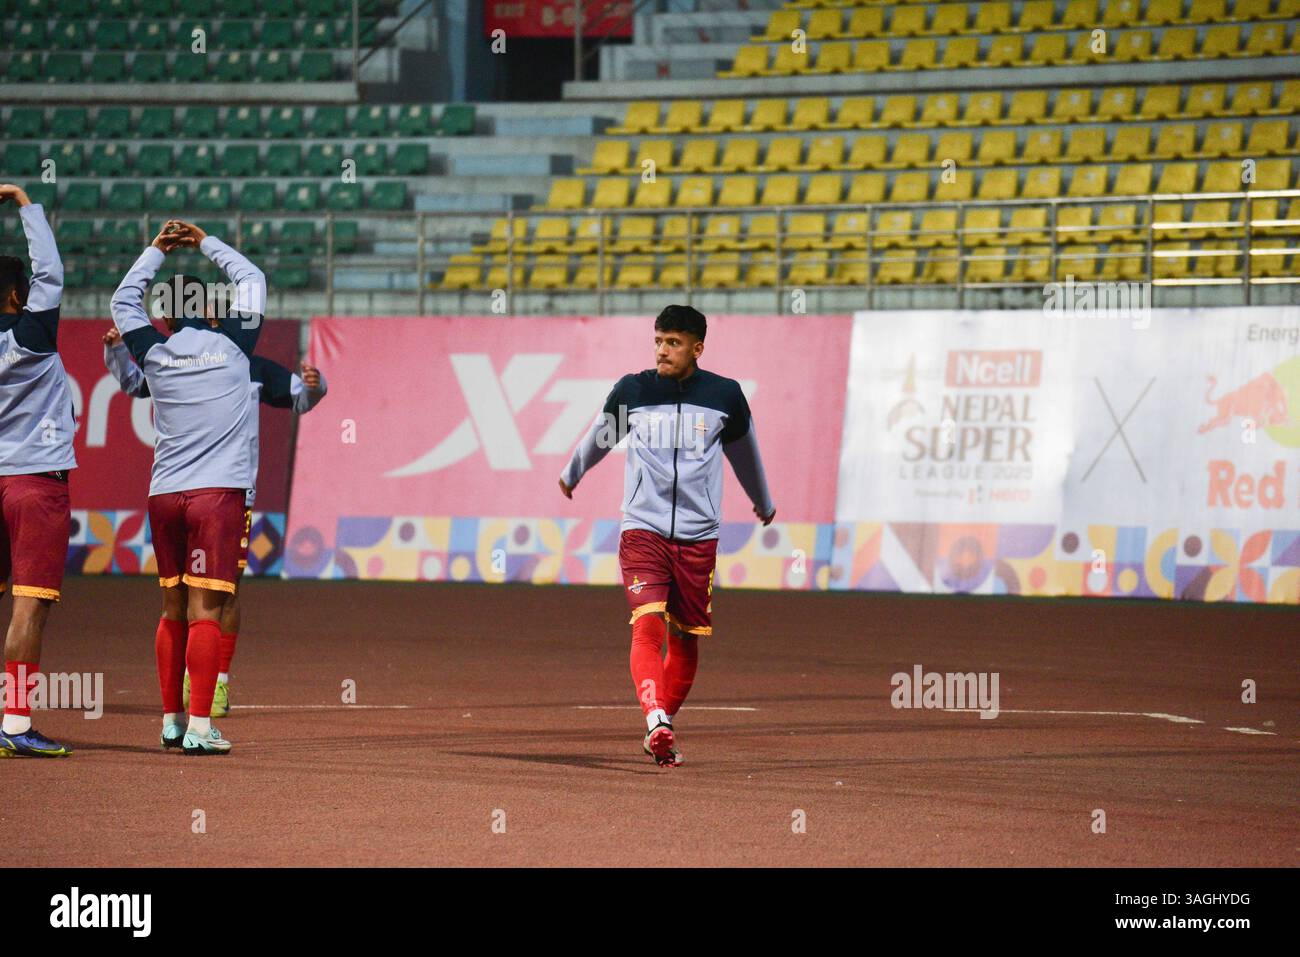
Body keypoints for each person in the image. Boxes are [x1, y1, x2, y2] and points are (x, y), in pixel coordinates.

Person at [559, 305, 775, 767]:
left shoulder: (725, 396)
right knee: (646, 623)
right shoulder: (633, 390)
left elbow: (745, 452)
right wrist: (572, 472)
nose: (662, 350)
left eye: (673, 342)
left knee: (687, 637)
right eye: (658, 340)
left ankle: (661, 725)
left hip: (699, 538)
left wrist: (763, 500)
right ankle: (655, 716)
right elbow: (601, 437)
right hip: (643, 528)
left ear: (697, 347)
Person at [102, 318, 326, 719]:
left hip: (228, 494)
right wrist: (117, 354)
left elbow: (300, 396)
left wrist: (313, 385)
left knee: (225, 590)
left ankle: (215, 682)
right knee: (181, 595)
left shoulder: (245, 365)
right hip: (183, 491)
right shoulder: (170, 363)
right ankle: (189, 697)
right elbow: (136, 384)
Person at [110, 219, 272, 755]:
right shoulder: (235, 349)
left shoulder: (153, 355)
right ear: (212, 312)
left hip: (165, 495)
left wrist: (156, 250)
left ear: (168, 315)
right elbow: (252, 277)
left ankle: (170, 721)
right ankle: (202, 728)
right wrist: (205, 241)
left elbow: (121, 302)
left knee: (171, 608)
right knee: (207, 611)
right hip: (216, 496)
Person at [0, 184, 75, 758]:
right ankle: (16, 722)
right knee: (29, 603)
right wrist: (26, 202)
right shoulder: (32, 334)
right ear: (15, 297)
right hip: (34, 484)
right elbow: (50, 273)